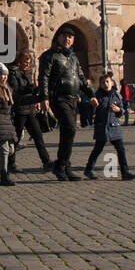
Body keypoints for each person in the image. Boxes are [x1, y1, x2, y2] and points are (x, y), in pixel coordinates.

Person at [38, 29, 92, 181]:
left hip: (73, 98)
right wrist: (44, 97)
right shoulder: (50, 55)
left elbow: (81, 78)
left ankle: (66, 167)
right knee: (70, 128)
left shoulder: (73, 58)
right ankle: (60, 165)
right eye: (64, 36)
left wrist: (91, 95)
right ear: (58, 38)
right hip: (58, 97)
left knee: (68, 133)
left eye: (70, 37)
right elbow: (44, 77)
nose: (67, 39)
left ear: (73, 40)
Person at [85, 73, 135, 180]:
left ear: (112, 83)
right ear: (100, 84)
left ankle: (125, 172)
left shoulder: (116, 95)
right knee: (97, 149)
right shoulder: (97, 96)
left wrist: (119, 110)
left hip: (114, 127)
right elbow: (92, 112)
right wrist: (92, 106)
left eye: (107, 82)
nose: (105, 84)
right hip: (102, 126)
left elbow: (122, 110)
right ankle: (89, 169)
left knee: (121, 149)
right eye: (103, 82)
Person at [9, 49, 54, 173]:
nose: (27, 65)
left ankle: (46, 161)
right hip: (19, 109)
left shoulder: (27, 72)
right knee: (15, 138)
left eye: (29, 63)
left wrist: (36, 90)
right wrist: (31, 87)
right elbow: (16, 90)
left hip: (30, 109)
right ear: (19, 62)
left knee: (38, 135)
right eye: (25, 63)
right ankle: (10, 163)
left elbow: (29, 90)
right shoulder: (13, 73)